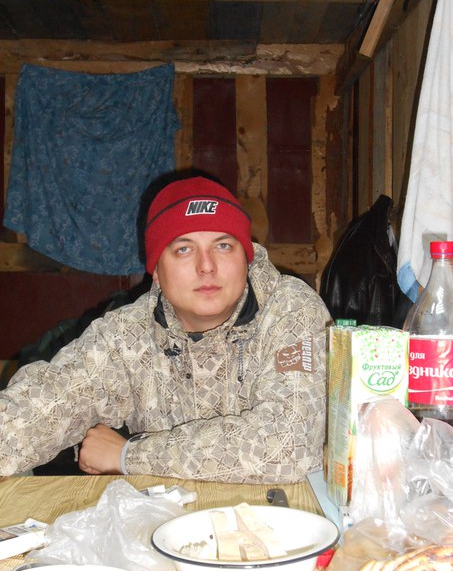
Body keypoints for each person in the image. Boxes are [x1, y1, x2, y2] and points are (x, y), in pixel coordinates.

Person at [0, 176, 331, 482]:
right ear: (156, 271)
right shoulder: (127, 334)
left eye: (223, 246)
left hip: (284, 517)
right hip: (170, 519)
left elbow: (289, 446)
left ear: (246, 258)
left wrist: (129, 455)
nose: (206, 266)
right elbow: (46, 404)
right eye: (183, 249)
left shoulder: (290, 310)